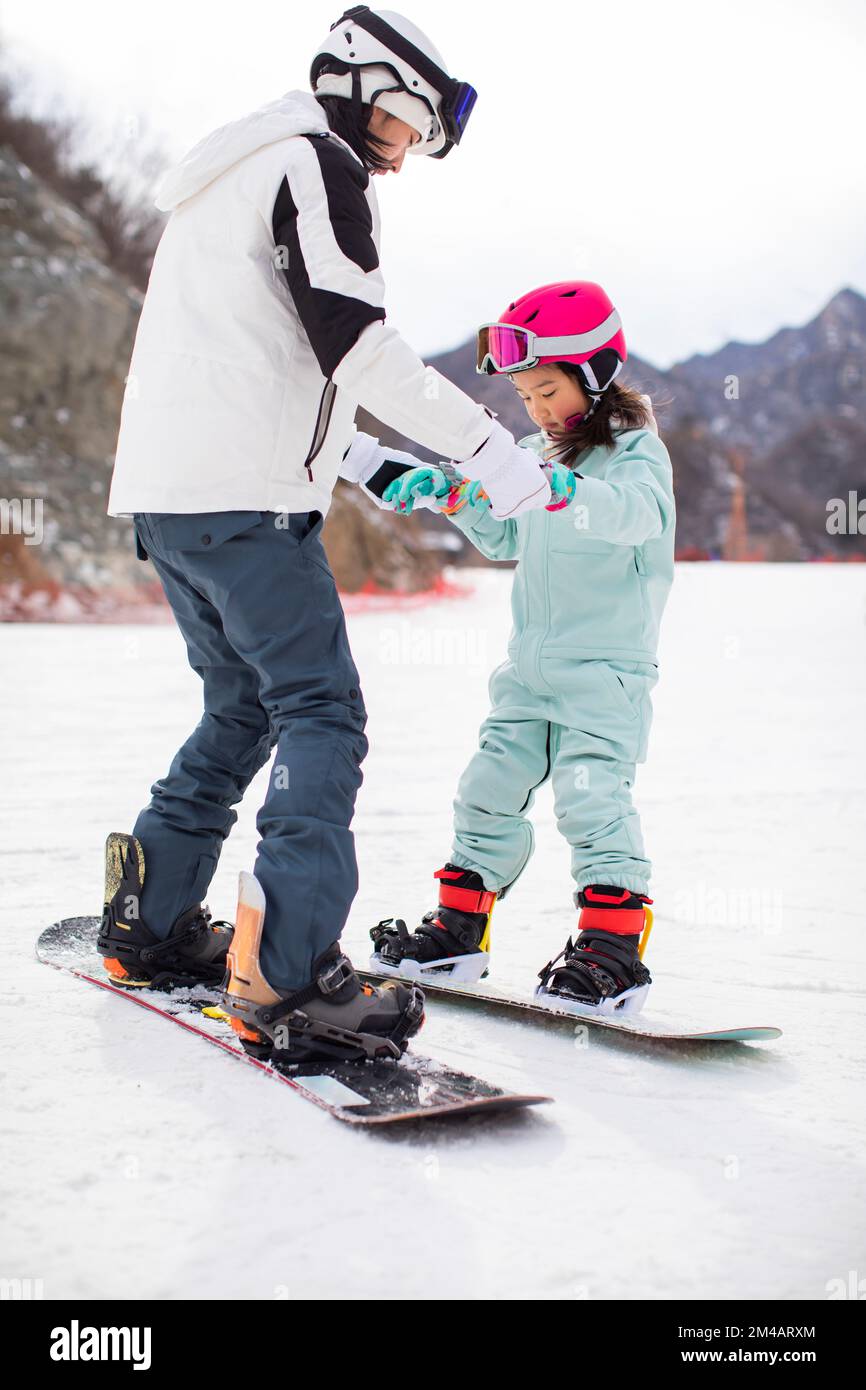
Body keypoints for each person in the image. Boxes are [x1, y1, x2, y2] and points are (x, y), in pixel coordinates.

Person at [98, 8, 563, 1065]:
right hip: (248, 503)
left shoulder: (232, 171)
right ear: (365, 87)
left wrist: (363, 461)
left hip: (173, 499)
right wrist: (491, 449)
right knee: (322, 713)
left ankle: (151, 919)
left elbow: (264, 359)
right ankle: (290, 976)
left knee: (241, 707)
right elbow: (356, 342)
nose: (397, 161)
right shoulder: (316, 162)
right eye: (402, 132)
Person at [359, 281, 676, 1017]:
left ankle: (612, 949)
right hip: (528, 673)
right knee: (486, 790)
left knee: (592, 799)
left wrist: (558, 488)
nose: (534, 410)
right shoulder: (537, 452)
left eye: (545, 391)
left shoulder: (636, 457)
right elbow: (508, 534)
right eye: (525, 397)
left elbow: (636, 518)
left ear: (593, 376)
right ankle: (458, 929)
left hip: (606, 674)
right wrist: (457, 495)